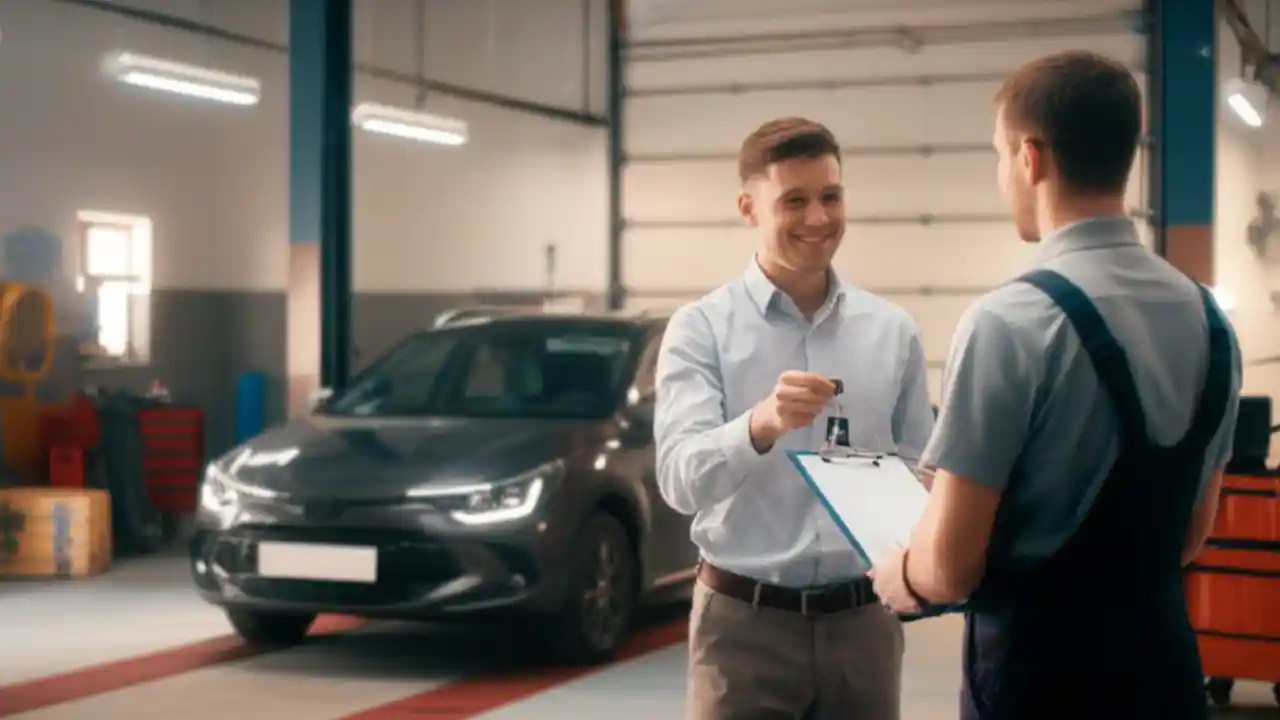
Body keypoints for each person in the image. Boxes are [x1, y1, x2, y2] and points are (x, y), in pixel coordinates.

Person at [869, 51, 1242, 719]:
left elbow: (950, 567)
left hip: (1037, 686)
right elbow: (1189, 537)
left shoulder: (1009, 321)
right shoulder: (1210, 320)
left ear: (1030, 158)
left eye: (998, 155)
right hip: (1164, 682)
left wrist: (900, 575)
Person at [654, 117, 935, 720]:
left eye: (831, 197)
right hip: (742, 628)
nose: (818, 219)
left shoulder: (892, 331)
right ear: (748, 207)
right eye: (795, 201)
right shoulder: (700, 330)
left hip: (864, 624)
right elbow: (680, 482)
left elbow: (920, 468)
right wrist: (759, 425)